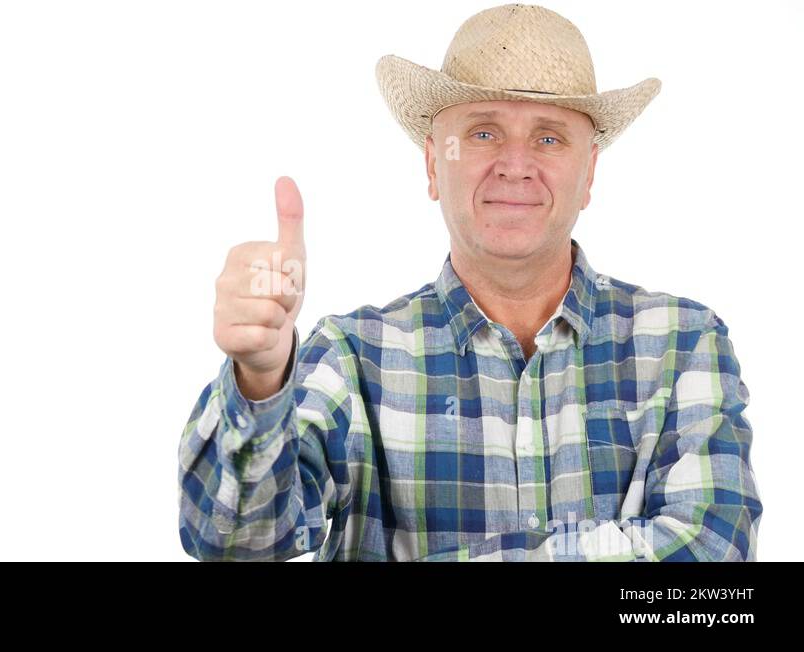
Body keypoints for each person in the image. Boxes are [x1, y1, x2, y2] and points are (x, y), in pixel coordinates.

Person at [176, 4, 763, 561]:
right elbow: (231, 542)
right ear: (434, 165)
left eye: (549, 137)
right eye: (482, 133)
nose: (514, 162)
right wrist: (258, 381)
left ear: (589, 175)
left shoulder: (683, 344)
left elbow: (710, 563)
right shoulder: (353, 357)